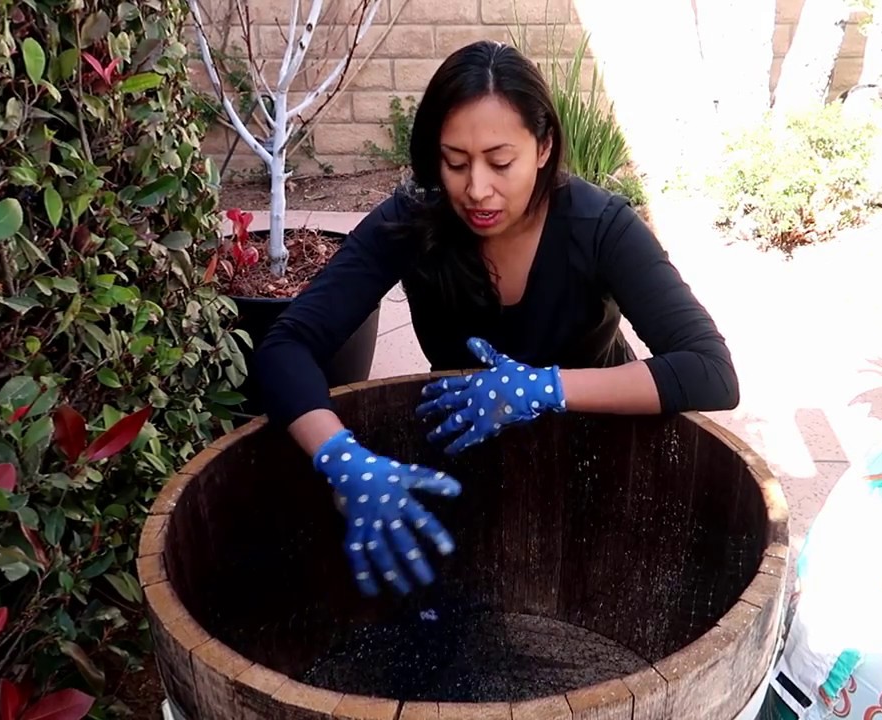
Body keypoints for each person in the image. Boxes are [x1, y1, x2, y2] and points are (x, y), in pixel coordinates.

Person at [256, 40, 739, 598]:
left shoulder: (599, 226)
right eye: (455, 162)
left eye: (500, 162)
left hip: (599, 453)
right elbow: (286, 345)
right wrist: (341, 458)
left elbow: (711, 371)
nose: (477, 189)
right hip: (475, 454)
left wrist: (548, 386)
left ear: (543, 147)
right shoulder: (416, 218)